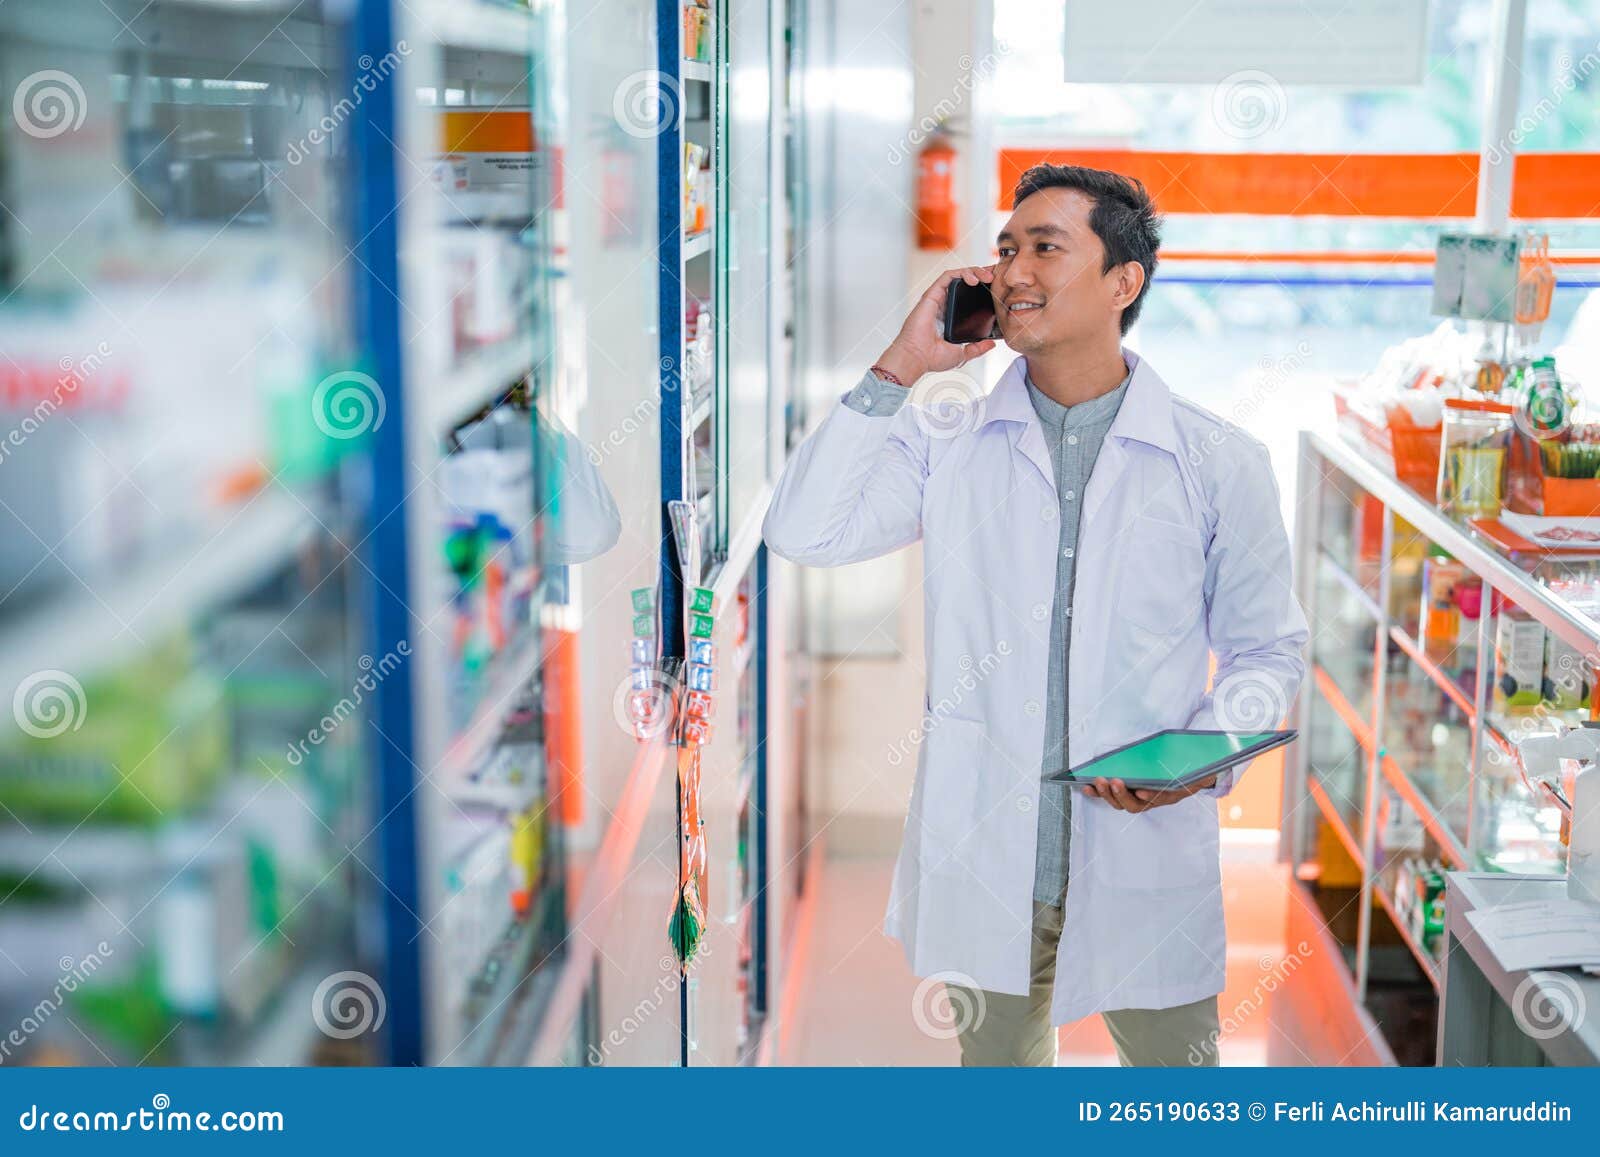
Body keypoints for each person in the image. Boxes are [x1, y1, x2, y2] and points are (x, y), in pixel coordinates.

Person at [762, 164, 1308, 1067]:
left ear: (1123, 282)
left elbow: (1267, 652)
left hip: (1141, 850)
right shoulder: (949, 439)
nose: (1014, 270)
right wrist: (903, 364)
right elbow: (804, 528)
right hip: (991, 851)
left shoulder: (1218, 461)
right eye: (1006, 249)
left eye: (1047, 247)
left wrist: (1199, 761)